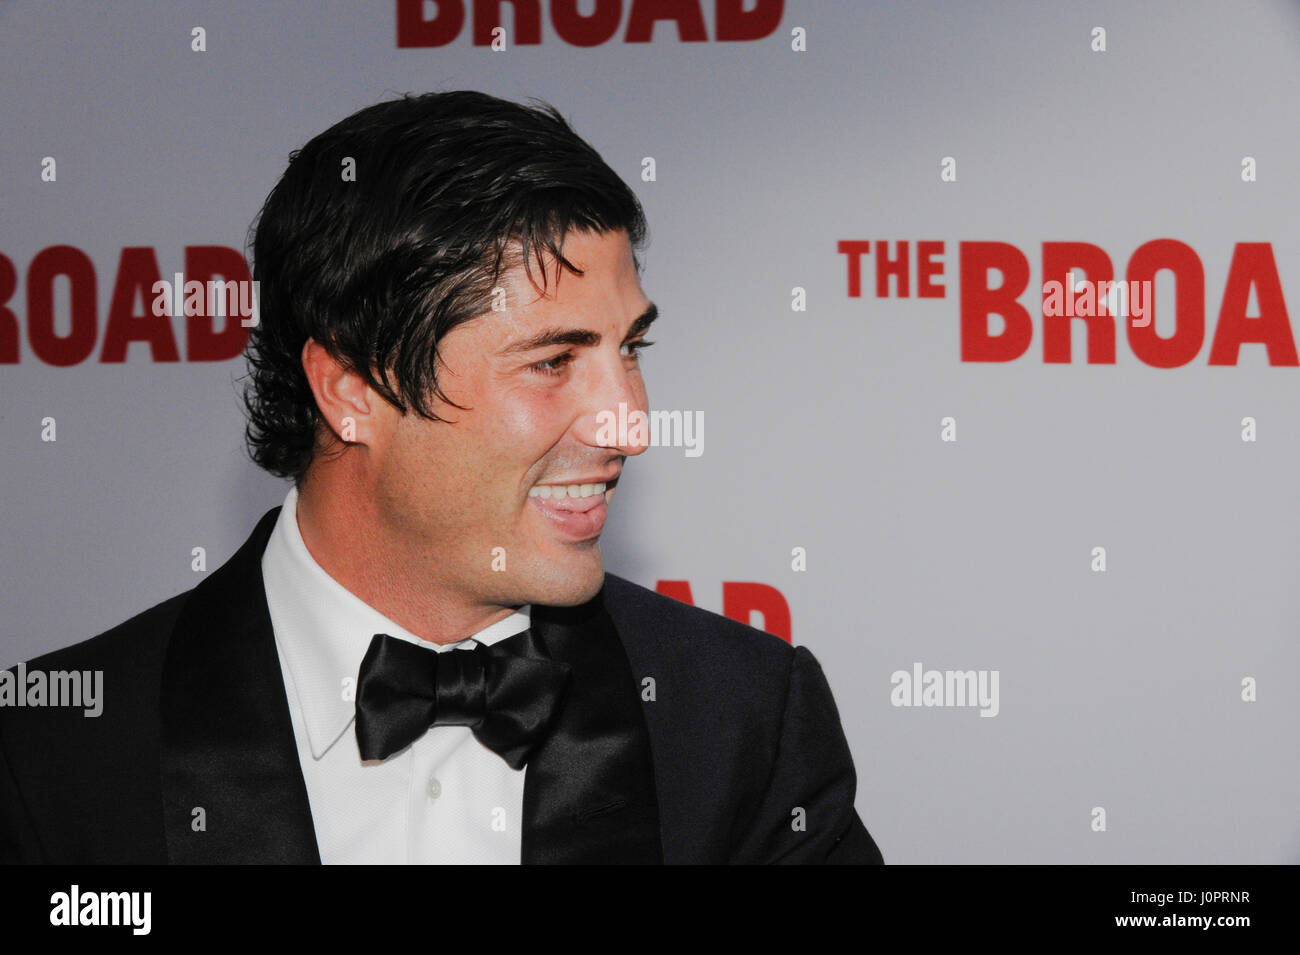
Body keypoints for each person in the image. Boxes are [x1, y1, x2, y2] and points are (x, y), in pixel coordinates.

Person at [0, 90, 884, 864]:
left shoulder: (740, 721)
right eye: (552, 362)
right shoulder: (52, 752)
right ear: (351, 387)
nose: (632, 424)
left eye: (631, 349)